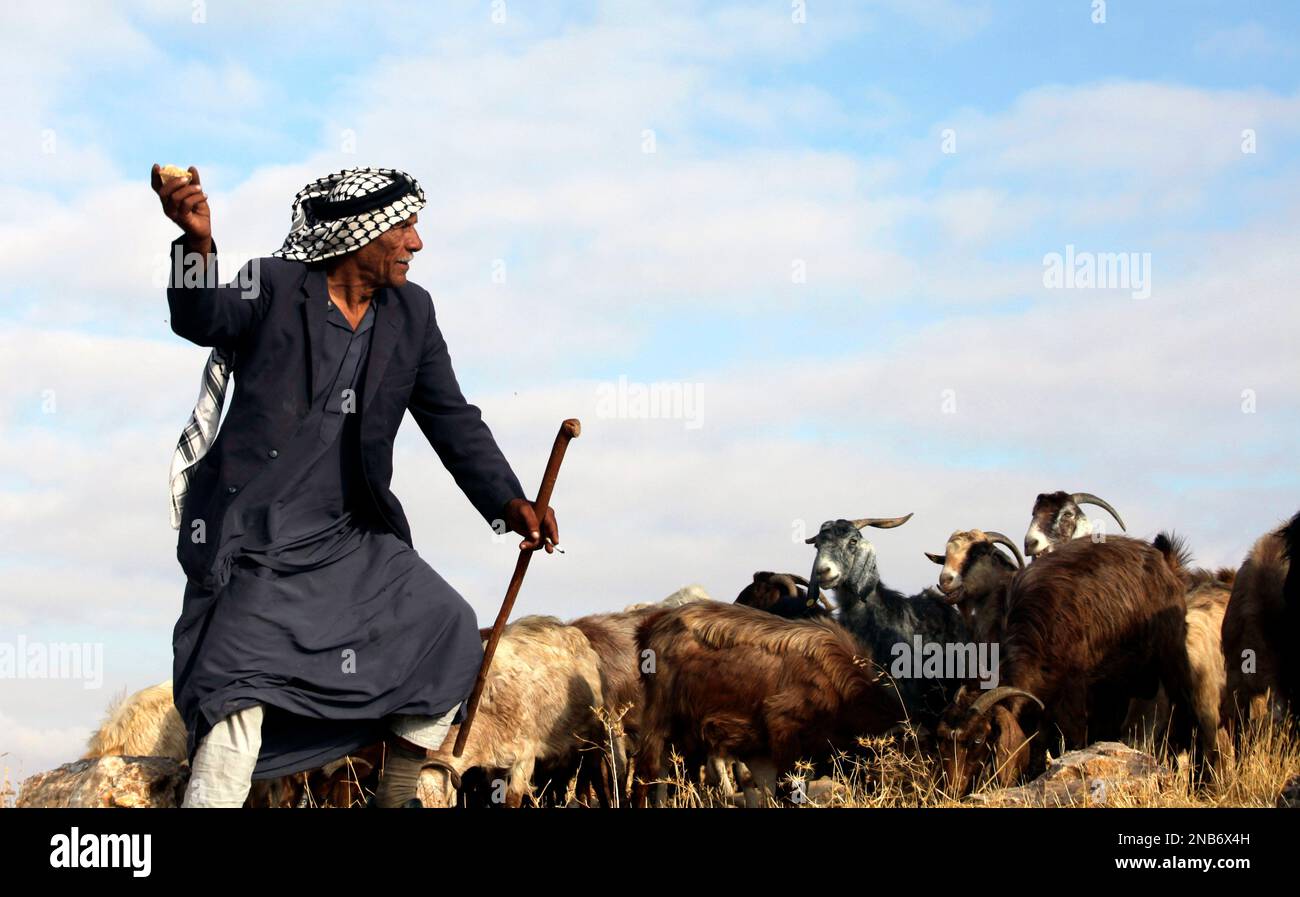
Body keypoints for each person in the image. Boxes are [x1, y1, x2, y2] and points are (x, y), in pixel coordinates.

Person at [152, 164, 559, 807]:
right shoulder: (276, 283)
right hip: (254, 537)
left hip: (351, 536)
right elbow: (200, 316)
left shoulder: (412, 313)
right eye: (403, 227)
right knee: (237, 690)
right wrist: (197, 242)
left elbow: (450, 417)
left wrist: (510, 504)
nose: (416, 243)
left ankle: (395, 799)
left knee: (448, 628)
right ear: (356, 235)